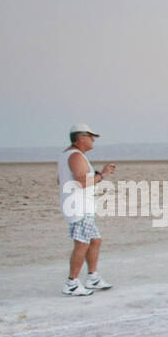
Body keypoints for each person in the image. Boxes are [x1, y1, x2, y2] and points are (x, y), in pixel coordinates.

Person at [57, 124, 115, 296]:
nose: (93, 139)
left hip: (82, 206)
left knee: (95, 241)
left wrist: (94, 180)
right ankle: (72, 283)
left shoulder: (71, 155)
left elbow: (61, 181)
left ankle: (92, 278)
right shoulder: (75, 156)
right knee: (82, 243)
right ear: (80, 138)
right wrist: (102, 175)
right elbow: (81, 183)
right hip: (79, 208)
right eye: (90, 136)